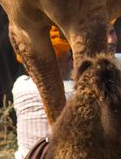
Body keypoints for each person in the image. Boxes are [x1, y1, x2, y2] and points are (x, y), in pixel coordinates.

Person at [13, 26, 75, 159]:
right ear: (55, 61)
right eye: (68, 56)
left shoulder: (20, 85)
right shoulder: (71, 92)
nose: (72, 61)